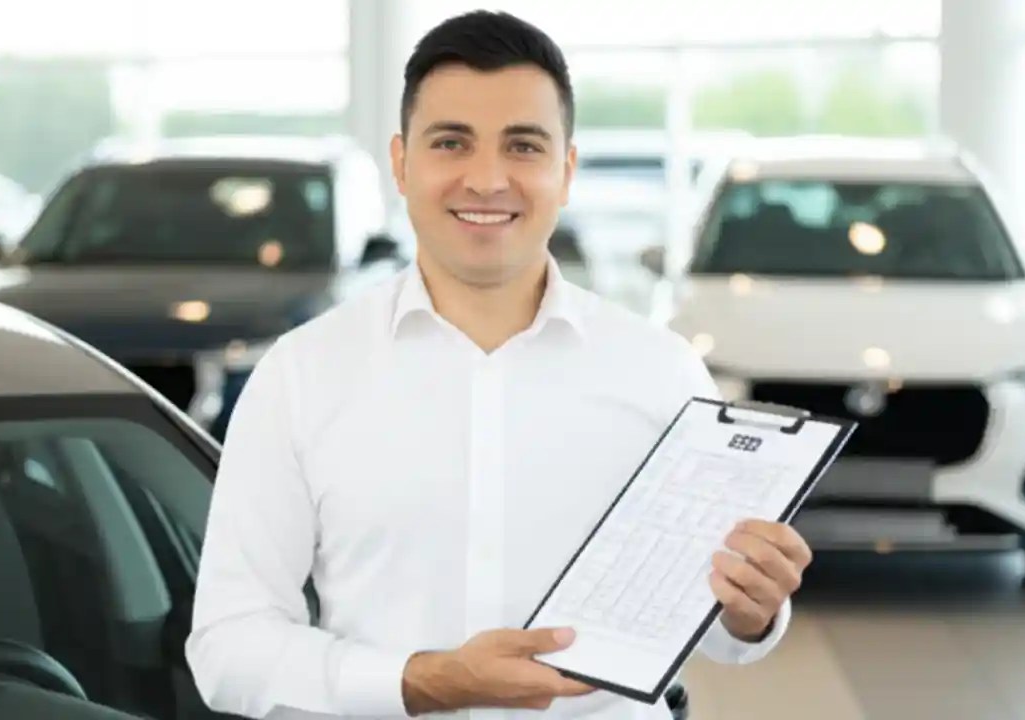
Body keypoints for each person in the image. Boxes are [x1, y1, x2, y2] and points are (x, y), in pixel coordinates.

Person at [186, 10, 813, 719]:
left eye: (523, 146)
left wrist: (751, 611)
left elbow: (716, 631)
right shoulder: (301, 376)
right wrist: (425, 680)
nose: (487, 180)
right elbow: (229, 649)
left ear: (565, 170)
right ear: (401, 163)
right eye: (451, 142)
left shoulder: (662, 373)